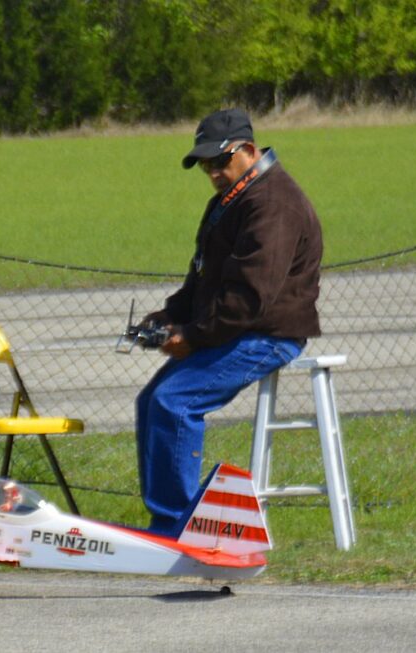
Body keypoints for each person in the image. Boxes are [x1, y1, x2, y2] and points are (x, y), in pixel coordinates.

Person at [136, 108, 323, 535]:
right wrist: (169, 317)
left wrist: (194, 336)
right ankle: (165, 520)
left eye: (222, 161)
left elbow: (250, 298)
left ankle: (176, 527)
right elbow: (202, 281)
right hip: (237, 329)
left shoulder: (273, 204)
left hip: (270, 334)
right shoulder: (229, 202)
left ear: (250, 150)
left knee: (174, 403)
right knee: (151, 401)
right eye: (206, 166)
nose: (215, 173)